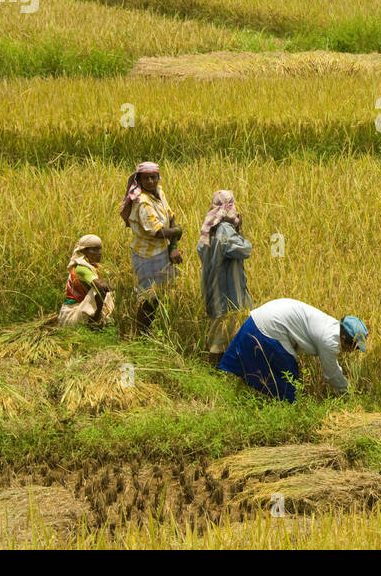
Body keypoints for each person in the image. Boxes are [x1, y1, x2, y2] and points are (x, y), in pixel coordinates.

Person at [218, 298, 367, 403]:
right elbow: (331, 373)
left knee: (265, 370)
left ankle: (247, 396)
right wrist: (349, 393)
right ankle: (285, 411)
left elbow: (333, 367)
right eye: (353, 347)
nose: (352, 351)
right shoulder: (329, 341)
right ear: (343, 338)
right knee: (288, 381)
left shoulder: (332, 326)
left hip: (259, 320)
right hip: (269, 329)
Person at [123, 161, 183, 337]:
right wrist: (177, 232)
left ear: (158, 177)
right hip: (146, 255)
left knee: (162, 294)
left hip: (162, 251)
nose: (150, 181)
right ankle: (141, 334)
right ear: (139, 180)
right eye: (145, 178)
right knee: (148, 297)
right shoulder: (142, 201)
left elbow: (171, 217)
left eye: (153, 177)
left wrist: (173, 247)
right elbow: (156, 231)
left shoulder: (159, 192)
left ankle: (152, 331)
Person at [196, 190, 253, 366]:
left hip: (213, 289)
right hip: (228, 294)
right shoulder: (225, 230)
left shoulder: (209, 230)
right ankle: (215, 373)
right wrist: (240, 229)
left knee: (217, 332)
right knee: (221, 339)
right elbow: (244, 250)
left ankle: (217, 373)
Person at [57, 234, 113, 329]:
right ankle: (94, 323)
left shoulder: (94, 267)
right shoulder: (81, 268)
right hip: (71, 315)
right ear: (83, 251)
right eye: (94, 250)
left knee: (106, 290)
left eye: (100, 249)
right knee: (98, 290)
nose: (99, 252)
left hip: (80, 310)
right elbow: (100, 285)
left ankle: (97, 321)